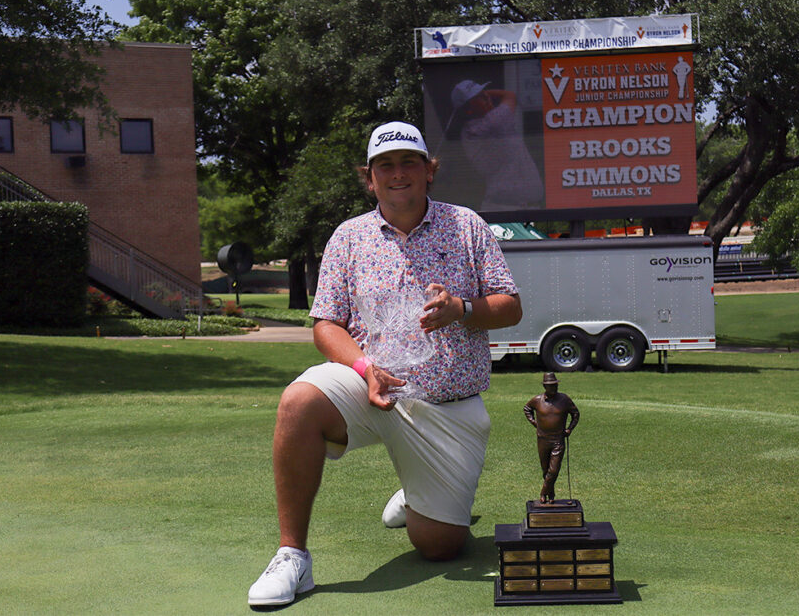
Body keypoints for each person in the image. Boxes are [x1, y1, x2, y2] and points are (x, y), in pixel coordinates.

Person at [247, 121, 523, 607]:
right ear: (370, 178)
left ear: (428, 172)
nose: (398, 174)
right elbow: (326, 325)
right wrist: (362, 367)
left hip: (447, 407)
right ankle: (293, 556)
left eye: (409, 163)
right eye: (385, 166)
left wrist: (462, 309)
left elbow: (510, 306)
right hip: (370, 390)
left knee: (439, 547)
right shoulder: (349, 236)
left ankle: (415, 493)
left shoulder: (466, 225)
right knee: (298, 401)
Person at [450, 79, 545, 211]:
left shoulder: (481, 124)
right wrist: (488, 92)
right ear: (468, 110)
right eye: (480, 97)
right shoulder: (486, 124)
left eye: (484, 94)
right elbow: (509, 95)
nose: (486, 97)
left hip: (523, 207)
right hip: (504, 208)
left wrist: (482, 93)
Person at [523, 372, 579, 504]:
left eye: (555, 385)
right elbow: (526, 408)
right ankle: (551, 494)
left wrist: (569, 428)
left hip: (557, 440)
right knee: (545, 470)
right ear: (544, 386)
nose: (554, 388)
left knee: (553, 470)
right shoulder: (537, 400)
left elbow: (575, 414)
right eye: (550, 386)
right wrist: (535, 423)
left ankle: (543, 492)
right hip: (542, 439)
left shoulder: (564, 400)